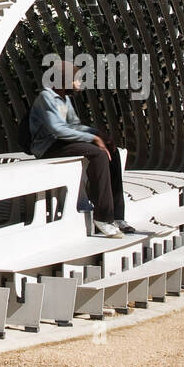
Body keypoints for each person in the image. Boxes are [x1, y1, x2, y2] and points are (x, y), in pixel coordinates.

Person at [29, 59, 138, 239]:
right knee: (98, 154)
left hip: (62, 142)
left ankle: (117, 216)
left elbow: (74, 126)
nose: (80, 83)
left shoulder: (64, 99)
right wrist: (93, 139)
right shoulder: (47, 97)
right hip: (48, 147)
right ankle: (103, 217)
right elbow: (58, 129)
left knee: (112, 150)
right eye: (77, 79)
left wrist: (100, 136)